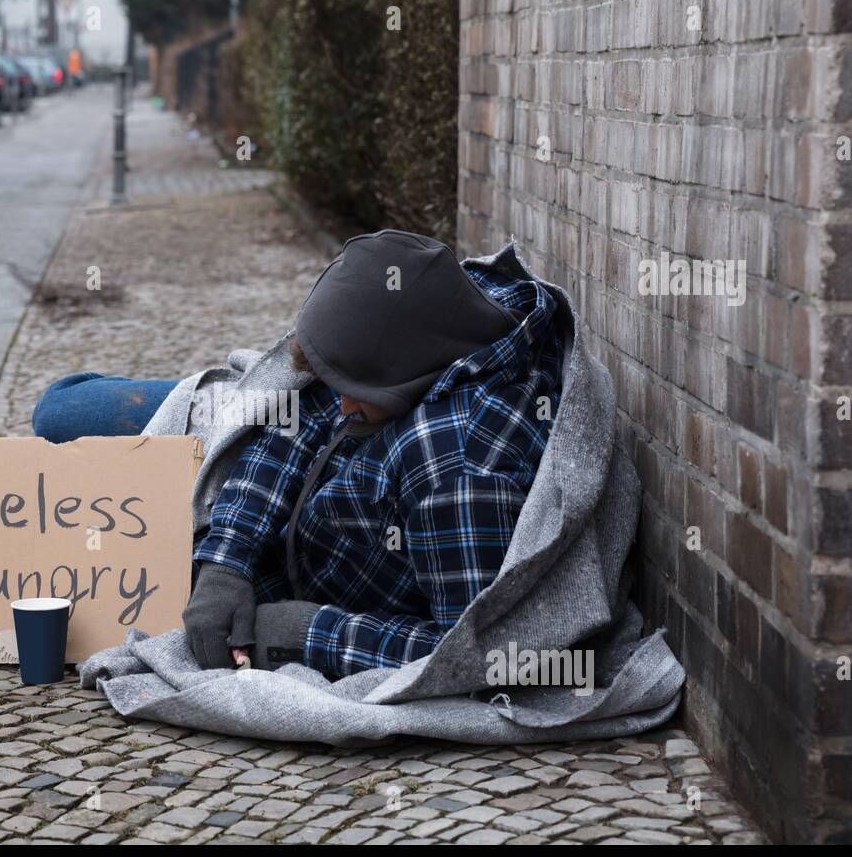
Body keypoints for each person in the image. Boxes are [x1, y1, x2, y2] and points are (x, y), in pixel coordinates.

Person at [33, 230, 564, 678]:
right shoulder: (412, 331)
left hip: (299, 581)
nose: (337, 400)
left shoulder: (457, 471)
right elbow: (295, 420)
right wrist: (226, 559)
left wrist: (307, 633)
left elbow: (473, 655)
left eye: (349, 388)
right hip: (242, 440)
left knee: (92, 554)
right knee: (59, 413)